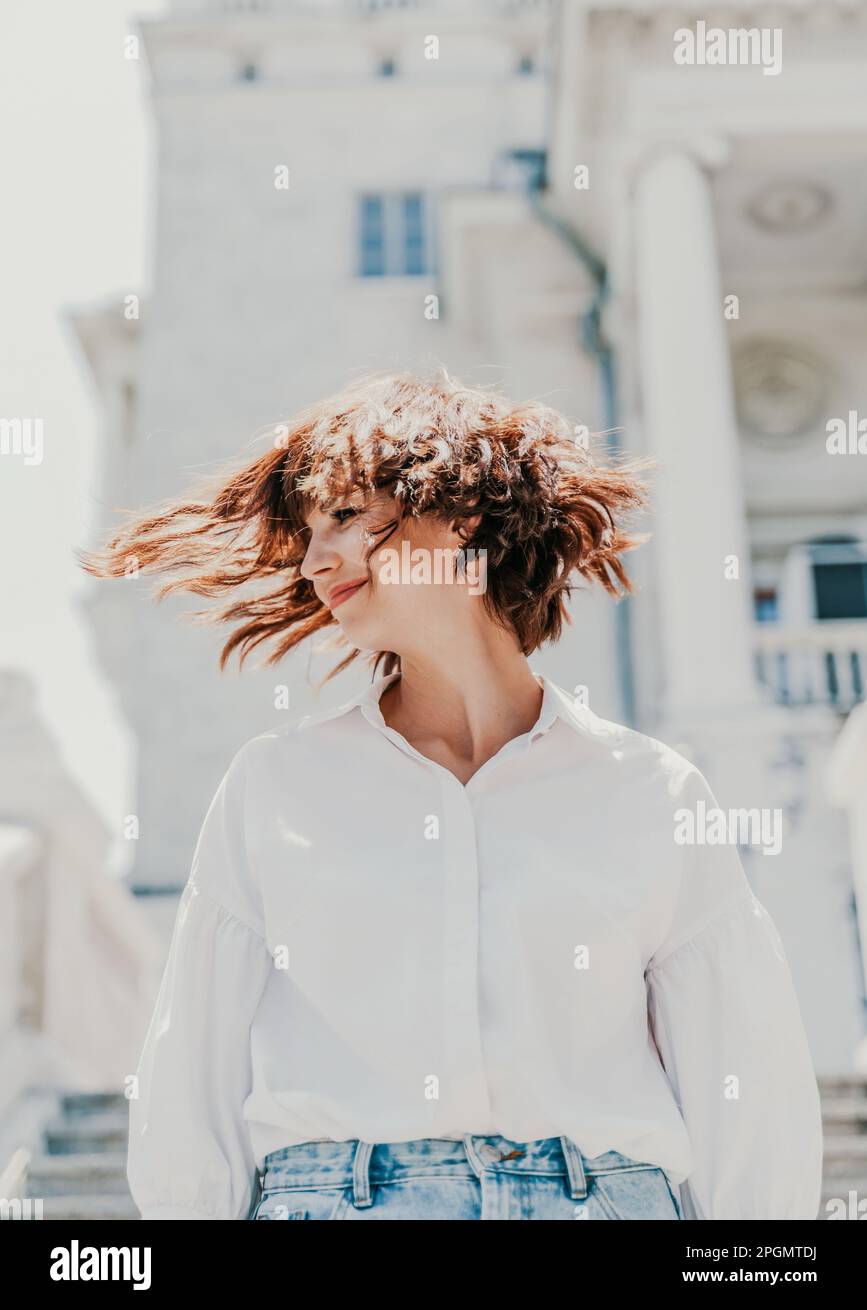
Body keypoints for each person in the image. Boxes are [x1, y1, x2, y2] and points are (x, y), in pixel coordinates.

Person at [78, 367, 823, 1221]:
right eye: (308, 535)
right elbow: (192, 1077)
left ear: (460, 512)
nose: (318, 561)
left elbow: (744, 1088)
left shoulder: (649, 793)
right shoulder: (274, 787)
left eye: (347, 518)